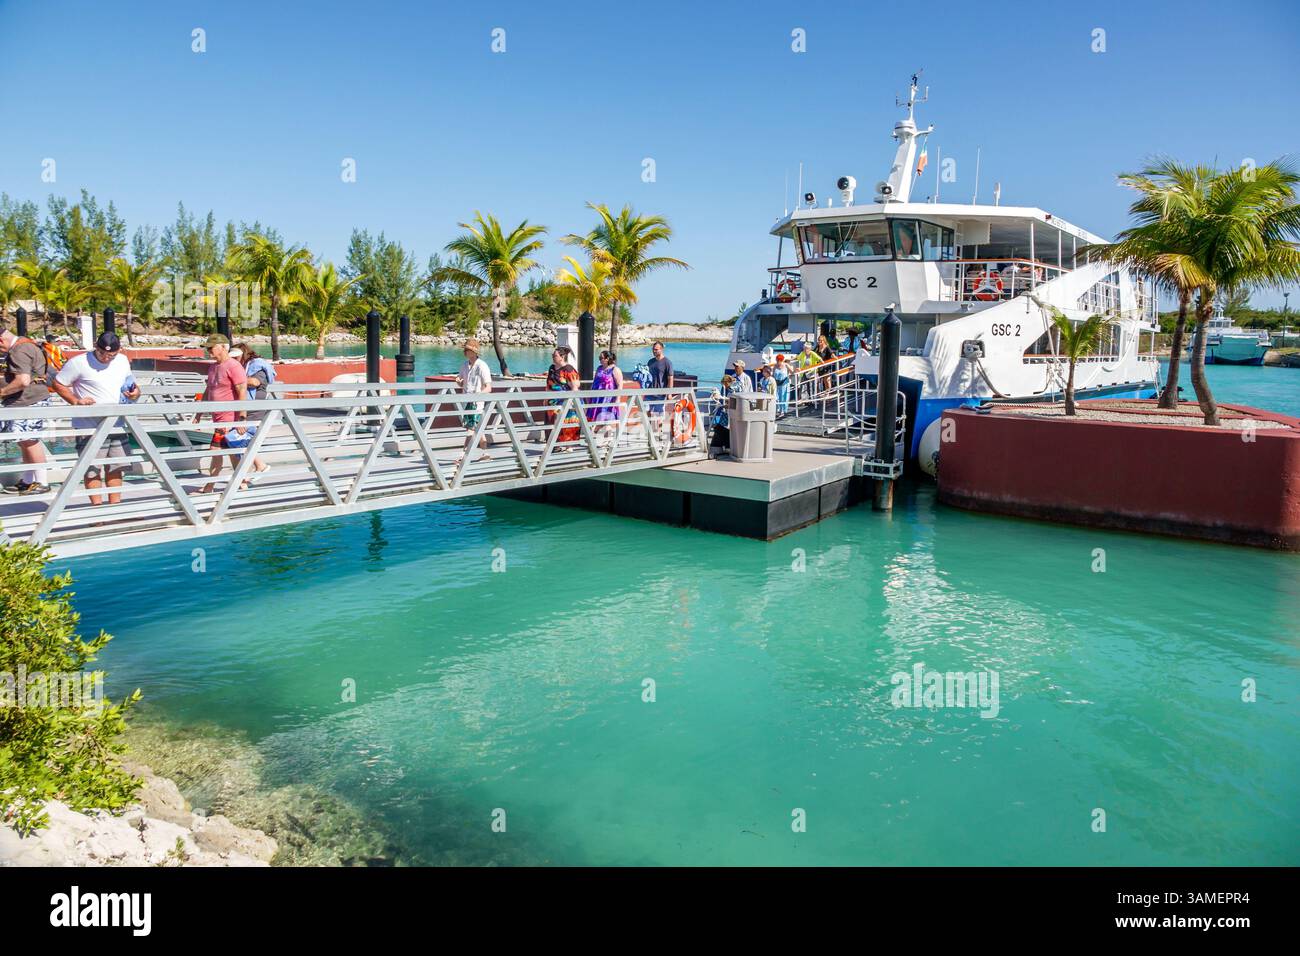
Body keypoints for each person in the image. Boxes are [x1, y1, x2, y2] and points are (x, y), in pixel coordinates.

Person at [49, 331, 139, 506]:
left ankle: (115, 509)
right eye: (101, 353)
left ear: (118, 351)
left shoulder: (121, 361)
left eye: (111, 355)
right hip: (89, 426)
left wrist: (135, 393)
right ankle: (97, 510)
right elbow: (58, 383)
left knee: (116, 467)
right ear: (95, 347)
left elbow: (131, 384)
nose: (105, 358)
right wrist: (75, 401)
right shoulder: (78, 362)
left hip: (116, 423)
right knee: (91, 469)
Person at [0, 327, 53, 495]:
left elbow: (23, 380)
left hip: (28, 402)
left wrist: (2, 392)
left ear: (1, 341)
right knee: (25, 441)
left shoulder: (19, 350)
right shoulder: (28, 344)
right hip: (30, 401)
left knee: (30, 440)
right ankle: (29, 479)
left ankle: (42, 481)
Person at [196, 333, 251, 494]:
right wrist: (199, 413)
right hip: (217, 418)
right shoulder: (213, 367)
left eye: (211, 347)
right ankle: (242, 482)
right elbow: (209, 389)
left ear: (223, 347)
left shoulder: (233, 366)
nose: (208, 351)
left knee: (215, 450)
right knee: (232, 453)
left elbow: (242, 389)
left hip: (228, 418)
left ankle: (209, 486)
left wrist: (242, 418)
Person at [232, 343, 275, 479]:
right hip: (245, 407)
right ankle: (257, 467)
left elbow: (255, 382)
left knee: (237, 438)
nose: (233, 360)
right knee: (239, 438)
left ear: (243, 354)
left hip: (254, 408)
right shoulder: (242, 367)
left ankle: (255, 468)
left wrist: (232, 378)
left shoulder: (257, 365)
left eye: (236, 357)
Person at [455, 338, 494, 464]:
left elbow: (488, 387)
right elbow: (462, 384)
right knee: (477, 429)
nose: (466, 352)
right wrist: (459, 382)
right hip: (467, 401)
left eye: (468, 350)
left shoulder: (482, 366)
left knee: (471, 429)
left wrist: (479, 394)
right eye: (465, 350)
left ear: (474, 352)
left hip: (477, 403)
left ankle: (463, 455)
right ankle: (485, 453)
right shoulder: (464, 366)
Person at [545, 345, 581, 448]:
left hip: (564, 401)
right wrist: (546, 397)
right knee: (551, 422)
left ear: (562, 357)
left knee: (564, 422)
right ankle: (554, 445)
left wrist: (572, 401)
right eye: (552, 355)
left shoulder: (568, 369)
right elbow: (548, 383)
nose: (553, 357)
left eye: (555, 355)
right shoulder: (552, 368)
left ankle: (567, 445)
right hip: (551, 400)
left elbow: (575, 386)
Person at [587, 350, 622, 433]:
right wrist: (590, 394)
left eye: (601, 358)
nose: (599, 360)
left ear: (607, 359)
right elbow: (595, 381)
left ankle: (604, 437)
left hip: (608, 398)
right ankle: (595, 432)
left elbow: (620, 385)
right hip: (597, 397)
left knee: (606, 419)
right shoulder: (599, 368)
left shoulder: (615, 369)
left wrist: (618, 398)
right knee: (599, 418)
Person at [708, 374, 737, 459]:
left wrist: (724, 404)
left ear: (727, 383)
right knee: (720, 426)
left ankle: (728, 445)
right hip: (726, 411)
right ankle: (725, 445)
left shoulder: (732, 390)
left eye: (724, 384)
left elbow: (732, 401)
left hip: (731, 412)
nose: (723, 386)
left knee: (723, 427)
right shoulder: (727, 389)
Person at [854, 333, 873, 415]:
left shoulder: (859, 341)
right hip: (857, 358)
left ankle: (857, 383)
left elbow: (863, 348)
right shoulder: (856, 341)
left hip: (858, 359)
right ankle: (856, 384)